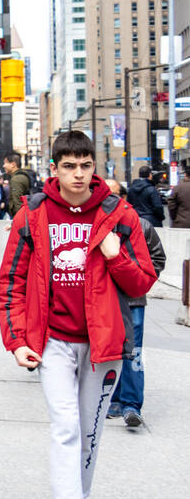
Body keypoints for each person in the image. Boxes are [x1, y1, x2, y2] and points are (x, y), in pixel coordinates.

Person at [0, 131, 157, 499]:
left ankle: (74, 496)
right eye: (69, 166)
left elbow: (141, 283)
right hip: (52, 341)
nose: (79, 174)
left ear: (94, 167)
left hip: (104, 345)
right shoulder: (33, 215)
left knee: (90, 430)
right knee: (66, 425)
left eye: (86, 165)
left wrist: (115, 255)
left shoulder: (119, 214)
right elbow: (11, 282)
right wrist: (16, 341)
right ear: (54, 169)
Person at [101, 179, 165, 429]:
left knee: (134, 352)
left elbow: (158, 257)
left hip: (134, 301)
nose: (110, 201)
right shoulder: (97, 226)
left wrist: (141, 280)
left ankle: (131, 404)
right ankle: (114, 400)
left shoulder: (143, 225)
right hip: (106, 300)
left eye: (114, 195)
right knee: (110, 352)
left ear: (124, 198)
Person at [3, 152, 33, 218]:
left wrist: (18, 221)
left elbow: (18, 203)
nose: (3, 166)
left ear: (13, 164)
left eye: (5, 163)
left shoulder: (16, 179)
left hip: (20, 218)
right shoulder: (23, 175)